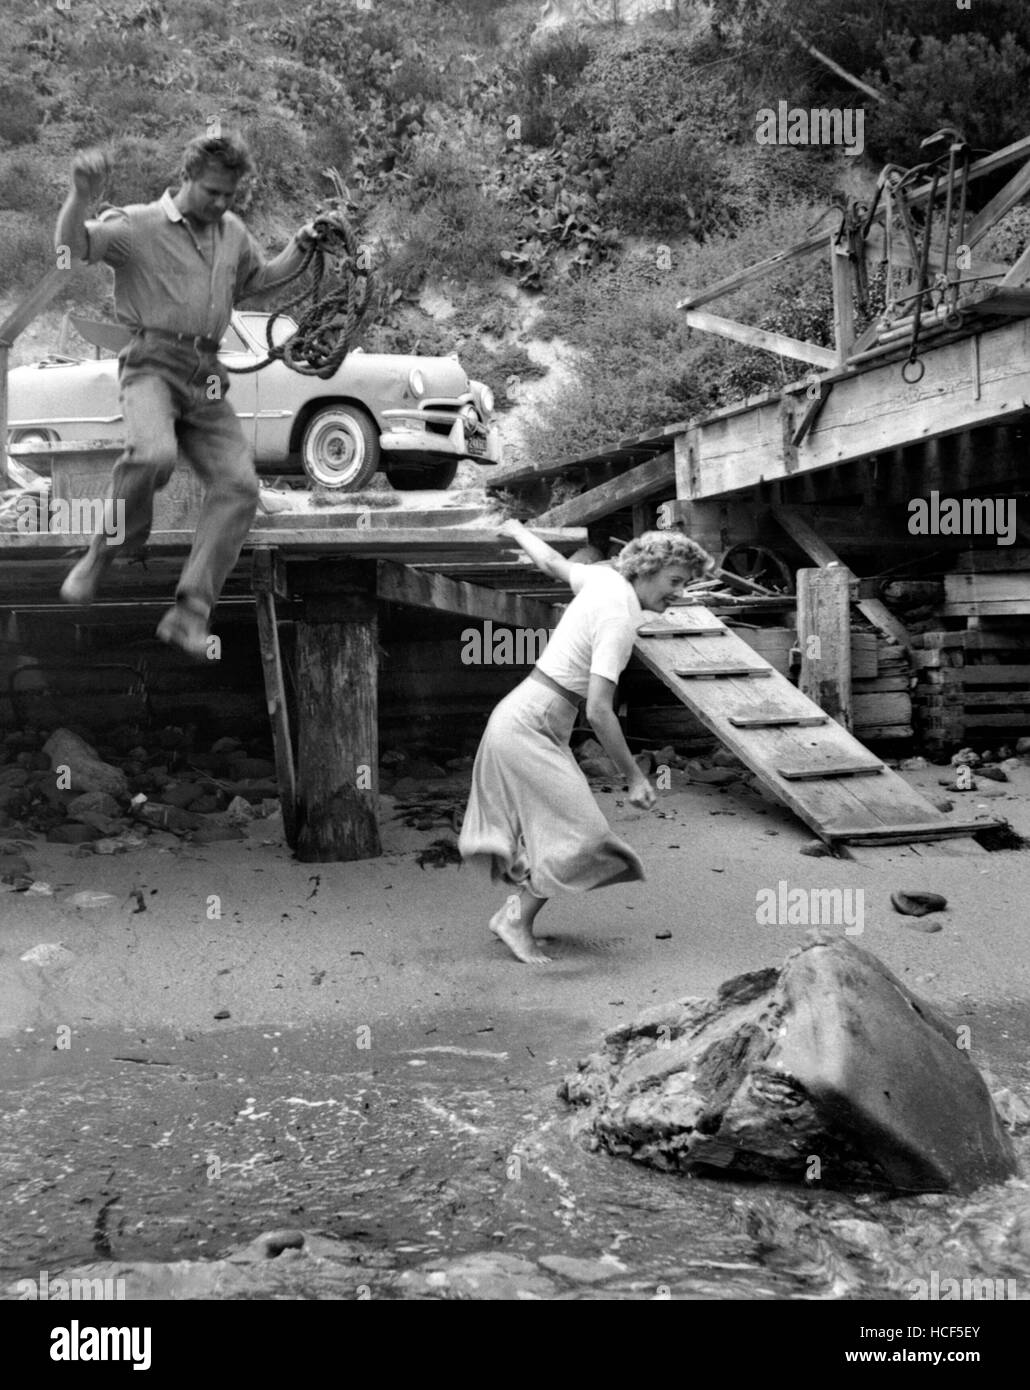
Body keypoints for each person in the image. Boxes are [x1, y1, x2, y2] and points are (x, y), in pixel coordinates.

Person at [55, 132, 315, 657]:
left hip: (207, 374)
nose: (220, 204)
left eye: (229, 195)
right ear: (187, 176)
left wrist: (302, 247)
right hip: (151, 363)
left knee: (239, 485)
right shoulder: (137, 225)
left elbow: (259, 279)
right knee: (153, 456)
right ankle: (102, 553)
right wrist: (80, 195)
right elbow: (71, 249)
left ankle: (191, 612)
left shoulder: (232, 232)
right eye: (212, 192)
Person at [459, 518, 714, 964]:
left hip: (529, 719)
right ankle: (513, 921)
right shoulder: (618, 618)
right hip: (528, 728)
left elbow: (552, 564)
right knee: (584, 836)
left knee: (558, 835)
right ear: (646, 571)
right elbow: (598, 710)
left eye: (685, 583)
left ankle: (512, 917)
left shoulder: (604, 579)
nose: (679, 592)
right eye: (674, 581)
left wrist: (517, 530)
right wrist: (634, 777)